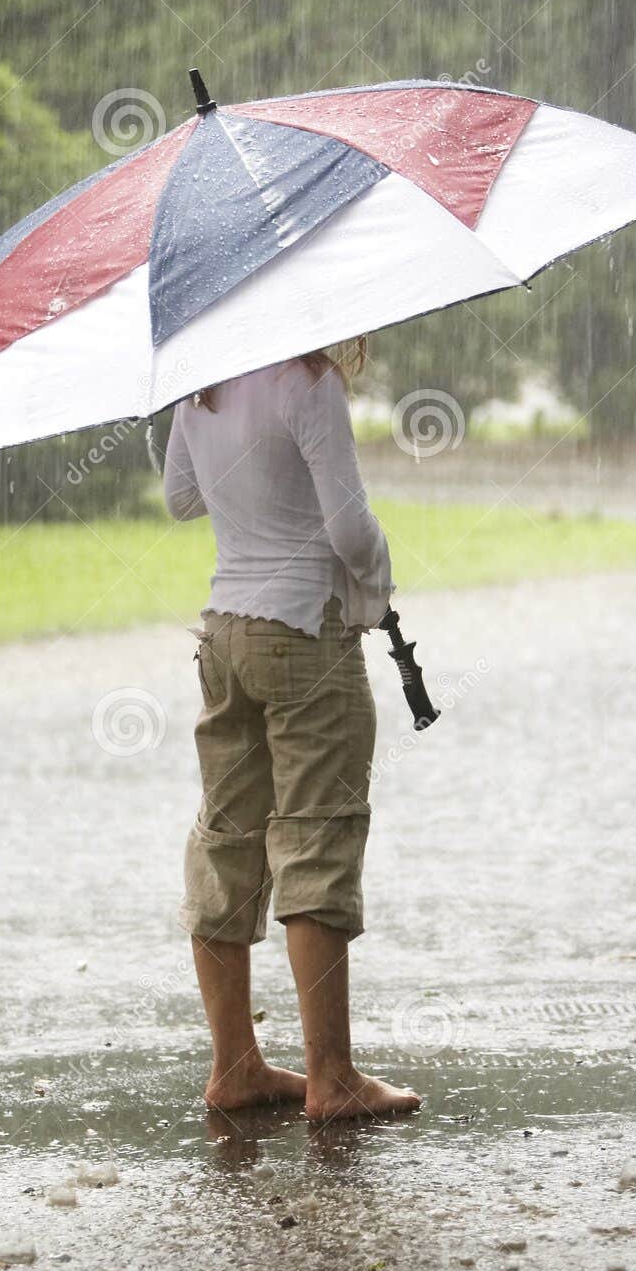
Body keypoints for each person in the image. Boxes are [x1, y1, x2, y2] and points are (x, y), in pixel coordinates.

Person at [163, 345, 421, 1123]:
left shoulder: (197, 382)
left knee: (226, 837)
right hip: (305, 633)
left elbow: (179, 497)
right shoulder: (306, 383)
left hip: (226, 632)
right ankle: (331, 1078)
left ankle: (235, 1067)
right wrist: (377, 577)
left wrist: (241, 481)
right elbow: (347, 530)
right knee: (316, 835)